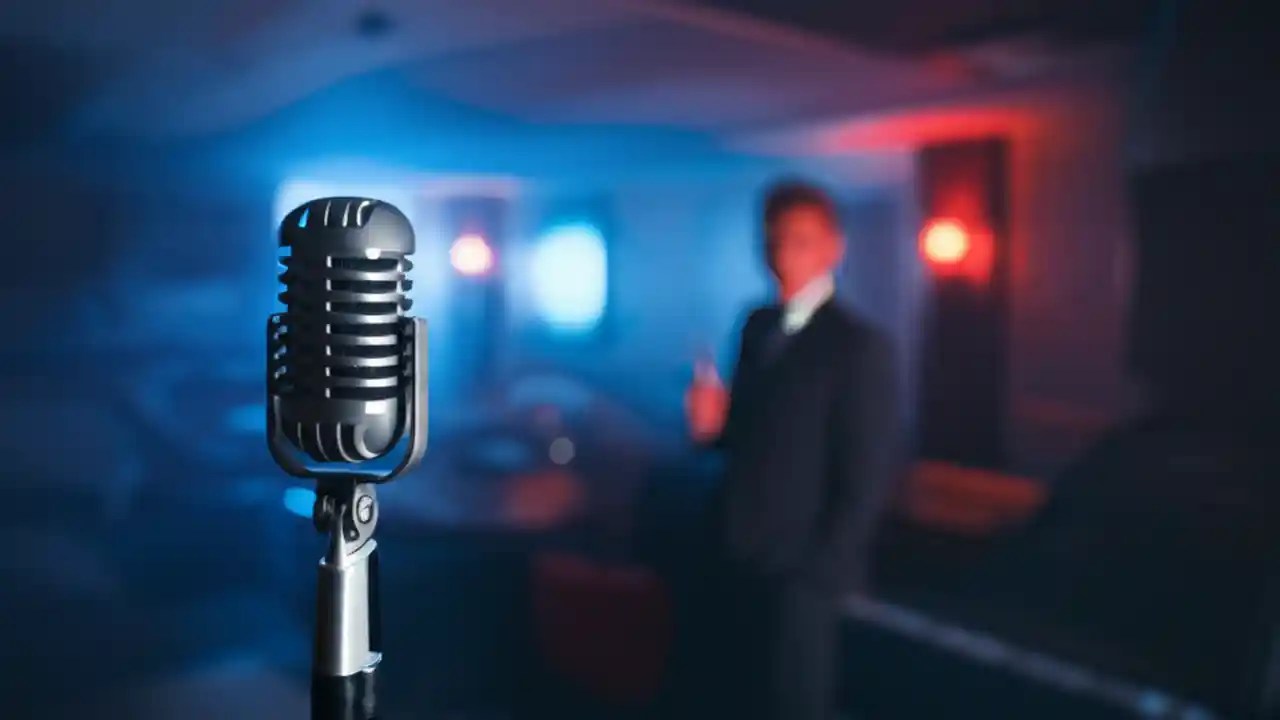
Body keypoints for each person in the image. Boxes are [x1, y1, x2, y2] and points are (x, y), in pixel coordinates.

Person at [685, 180, 899, 720]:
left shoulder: (857, 346)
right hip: (738, 555)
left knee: (795, 705)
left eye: (800, 241)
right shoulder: (757, 326)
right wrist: (711, 427)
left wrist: (818, 576)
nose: (784, 256)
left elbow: (867, 477)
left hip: (802, 574)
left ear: (833, 248)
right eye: (775, 241)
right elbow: (748, 440)